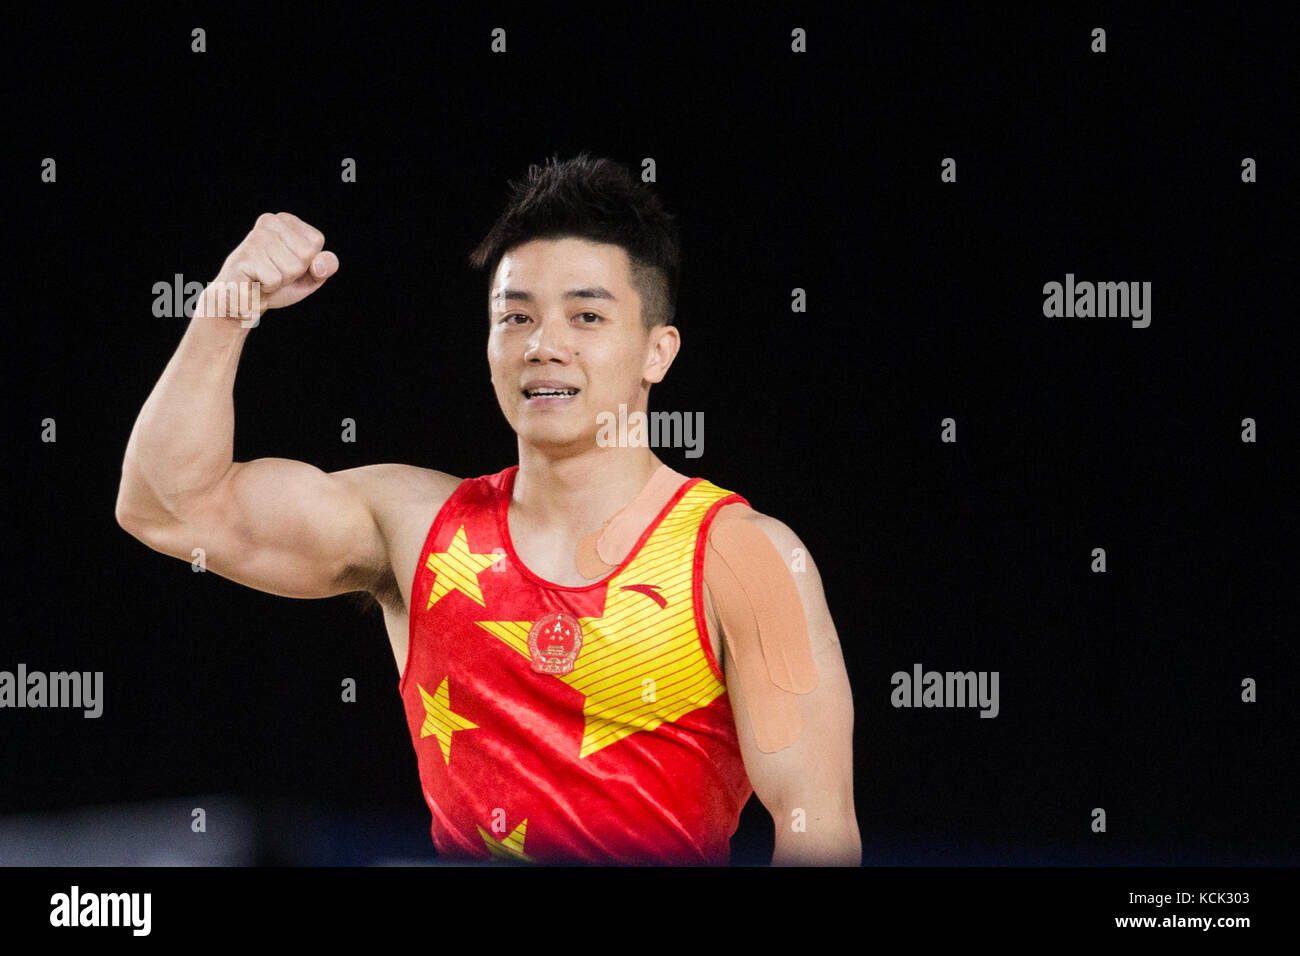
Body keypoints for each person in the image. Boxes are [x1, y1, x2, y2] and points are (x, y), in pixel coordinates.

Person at [116, 153, 860, 865]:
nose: (544, 345)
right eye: (516, 317)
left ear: (657, 352)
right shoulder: (413, 526)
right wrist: (225, 308)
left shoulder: (744, 558)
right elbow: (169, 508)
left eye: (587, 317)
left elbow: (816, 828)